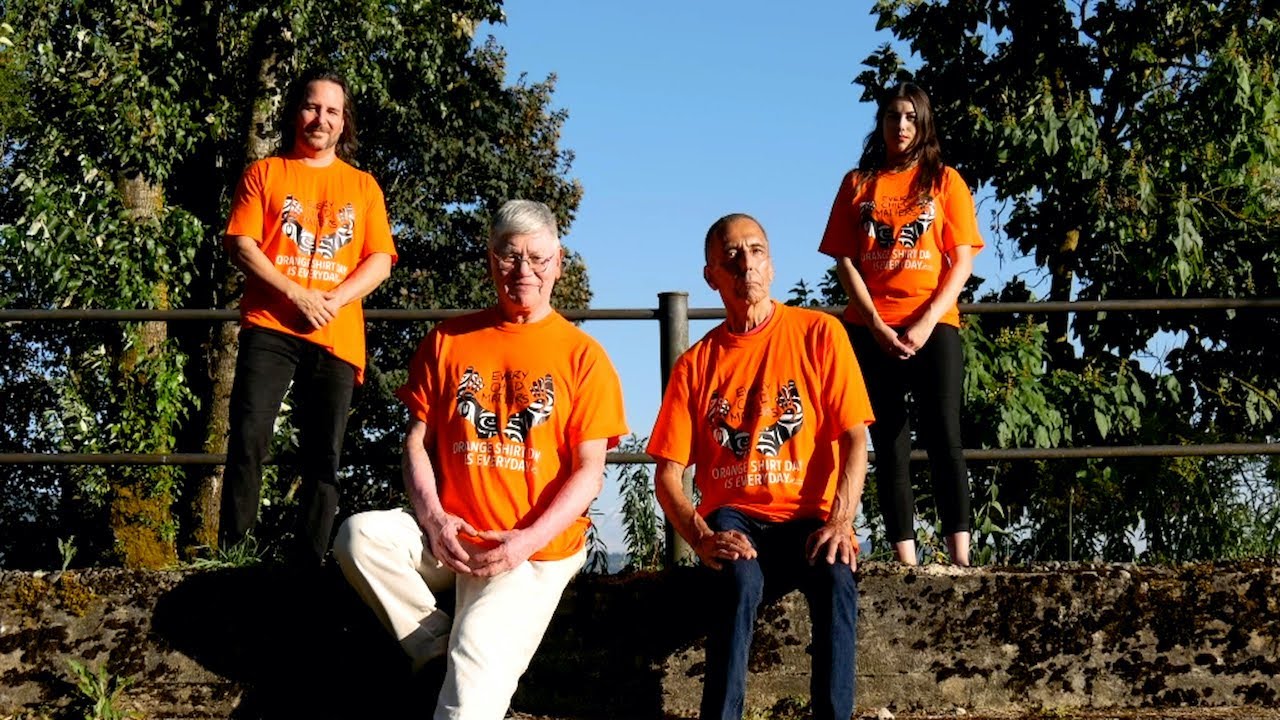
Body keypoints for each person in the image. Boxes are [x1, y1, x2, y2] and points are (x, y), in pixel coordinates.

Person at [333, 200, 627, 720]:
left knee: (468, 698)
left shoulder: (584, 357)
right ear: (491, 261)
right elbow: (416, 445)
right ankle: (431, 648)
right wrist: (436, 520)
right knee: (359, 538)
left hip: (533, 550)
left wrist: (524, 544)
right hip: (452, 535)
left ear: (558, 262)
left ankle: (455, 656)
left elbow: (589, 472)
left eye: (537, 258)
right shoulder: (448, 339)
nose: (524, 271)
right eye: (511, 257)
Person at [648, 213, 874, 720]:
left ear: (771, 265)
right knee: (736, 575)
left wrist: (841, 520)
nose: (745, 263)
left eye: (756, 251)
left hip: (810, 515)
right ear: (711, 274)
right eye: (731, 255)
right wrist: (700, 535)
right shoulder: (696, 364)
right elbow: (667, 474)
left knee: (839, 575)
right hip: (736, 515)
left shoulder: (819, 333)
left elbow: (857, 438)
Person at [220, 68, 398, 564]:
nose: (321, 118)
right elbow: (242, 244)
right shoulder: (266, 173)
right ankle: (234, 556)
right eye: (312, 106)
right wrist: (298, 294)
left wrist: (334, 300)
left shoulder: (363, 187)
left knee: (325, 454)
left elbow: (380, 260)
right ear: (297, 111)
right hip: (271, 325)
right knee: (250, 436)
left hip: (336, 333)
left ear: (344, 124)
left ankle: (310, 563)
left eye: (332, 111)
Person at [817, 82, 984, 567]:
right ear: (881, 123)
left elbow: (961, 262)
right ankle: (906, 562)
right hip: (871, 331)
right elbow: (845, 259)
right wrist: (872, 323)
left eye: (911, 117)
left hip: (934, 326)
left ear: (924, 123)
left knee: (944, 438)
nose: (902, 125)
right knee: (887, 443)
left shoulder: (946, 181)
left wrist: (929, 319)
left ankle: (961, 560)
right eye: (893, 116)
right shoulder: (858, 183)